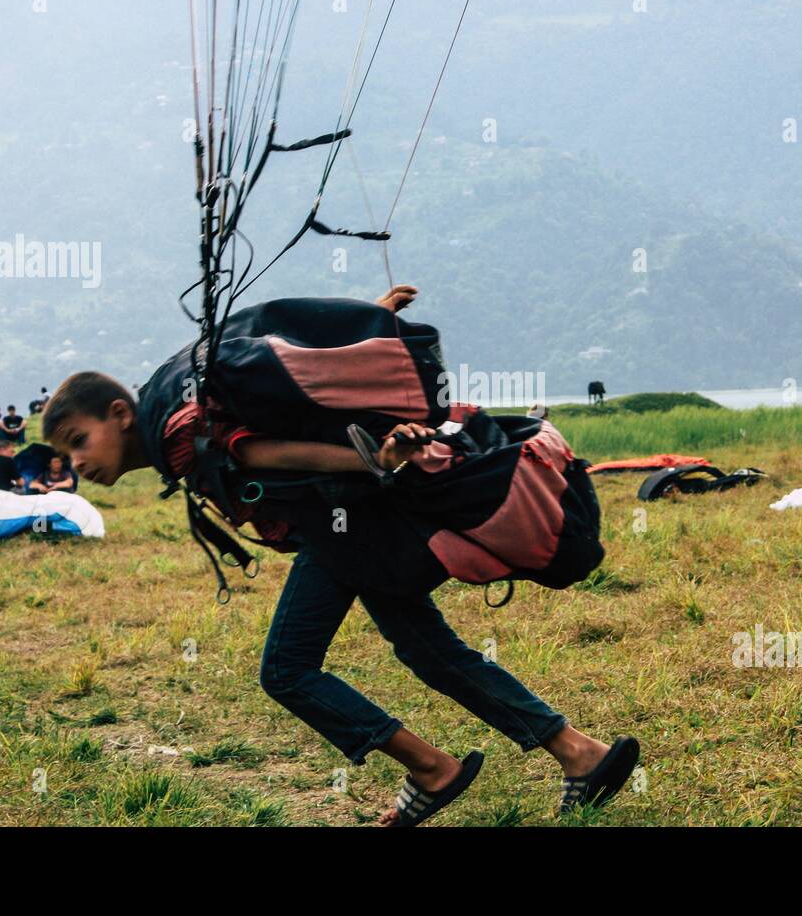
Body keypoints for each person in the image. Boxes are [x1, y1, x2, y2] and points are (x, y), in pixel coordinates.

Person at [41, 286, 638, 826]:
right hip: (359, 522)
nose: (78, 465)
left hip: (345, 526)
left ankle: (433, 768)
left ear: (118, 415)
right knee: (426, 647)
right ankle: (578, 753)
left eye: (78, 443)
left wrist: (373, 459)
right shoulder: (171, 397)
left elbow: (261, 451)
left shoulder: (173, 431)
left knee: (287, 670)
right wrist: (370, 321)